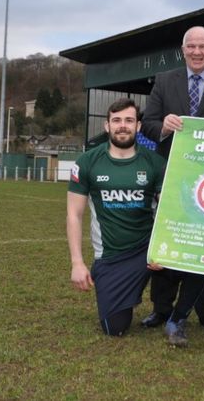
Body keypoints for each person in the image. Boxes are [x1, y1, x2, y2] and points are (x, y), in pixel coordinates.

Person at [140, 25, 204, 337]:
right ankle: (161, 308)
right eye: (191, 46)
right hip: (171, 176)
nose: (197, 52)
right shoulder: (164, 80)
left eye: (203, 46)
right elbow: (147, 124)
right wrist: (164, 126)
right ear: (183, 50)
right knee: (167, 241)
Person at [67, 98, 166, 337]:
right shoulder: (87, 162)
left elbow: (168, 212)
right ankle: (128, 293)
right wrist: (77, 263)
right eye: (117, 120)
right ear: (107, 126)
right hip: (111, 256)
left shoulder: (155, 162)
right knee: (114, 328)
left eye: (129, 120)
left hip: (147, 248)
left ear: (138, 126)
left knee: (188, 263)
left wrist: (166, 252)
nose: (123, 126)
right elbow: (74, 213)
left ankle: (171, 311)